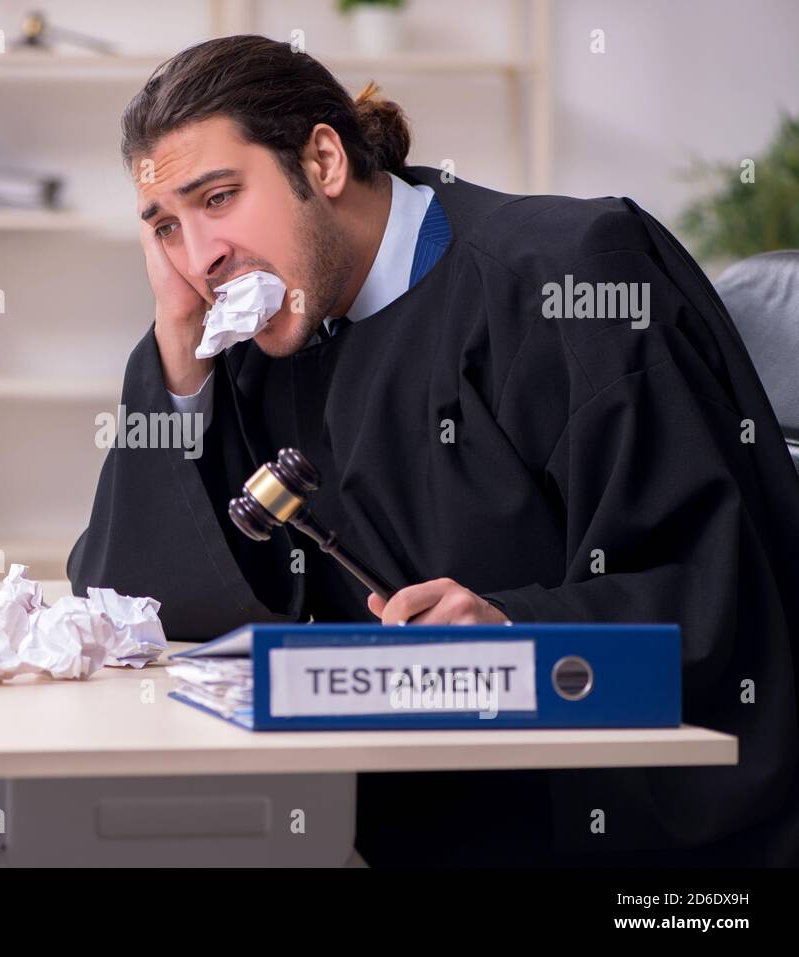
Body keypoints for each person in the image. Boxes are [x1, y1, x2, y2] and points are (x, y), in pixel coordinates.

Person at [67, 34, 799, 866]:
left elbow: (719, 591)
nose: (200, 258)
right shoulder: (252, 345)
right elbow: (139, 606)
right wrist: (175, 345)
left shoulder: (570, 278)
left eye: (220, 197)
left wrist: (515, 626)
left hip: (575, 822)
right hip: (362, 808)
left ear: (323, 160)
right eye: (166, 226)